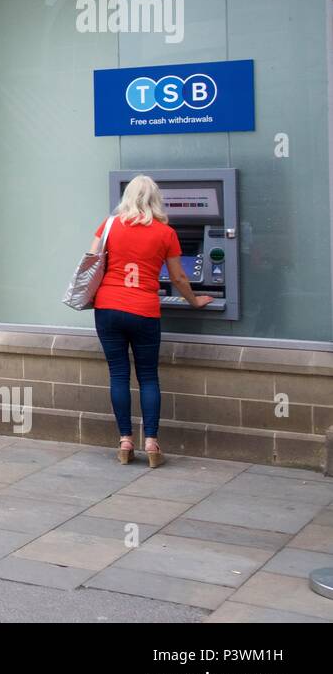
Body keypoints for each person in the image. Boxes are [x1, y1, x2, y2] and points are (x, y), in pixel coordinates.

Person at [89, 174, 212, 468]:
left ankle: (125, 441)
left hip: (108, 308)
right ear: (156, 199)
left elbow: (91, 260)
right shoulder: (165, 233)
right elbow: (179, 276)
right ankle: (152, 443)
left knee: (118, 374)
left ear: (127, 198)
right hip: (144, 310)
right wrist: (194, 301)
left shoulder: (108, 226)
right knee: (148, 377)